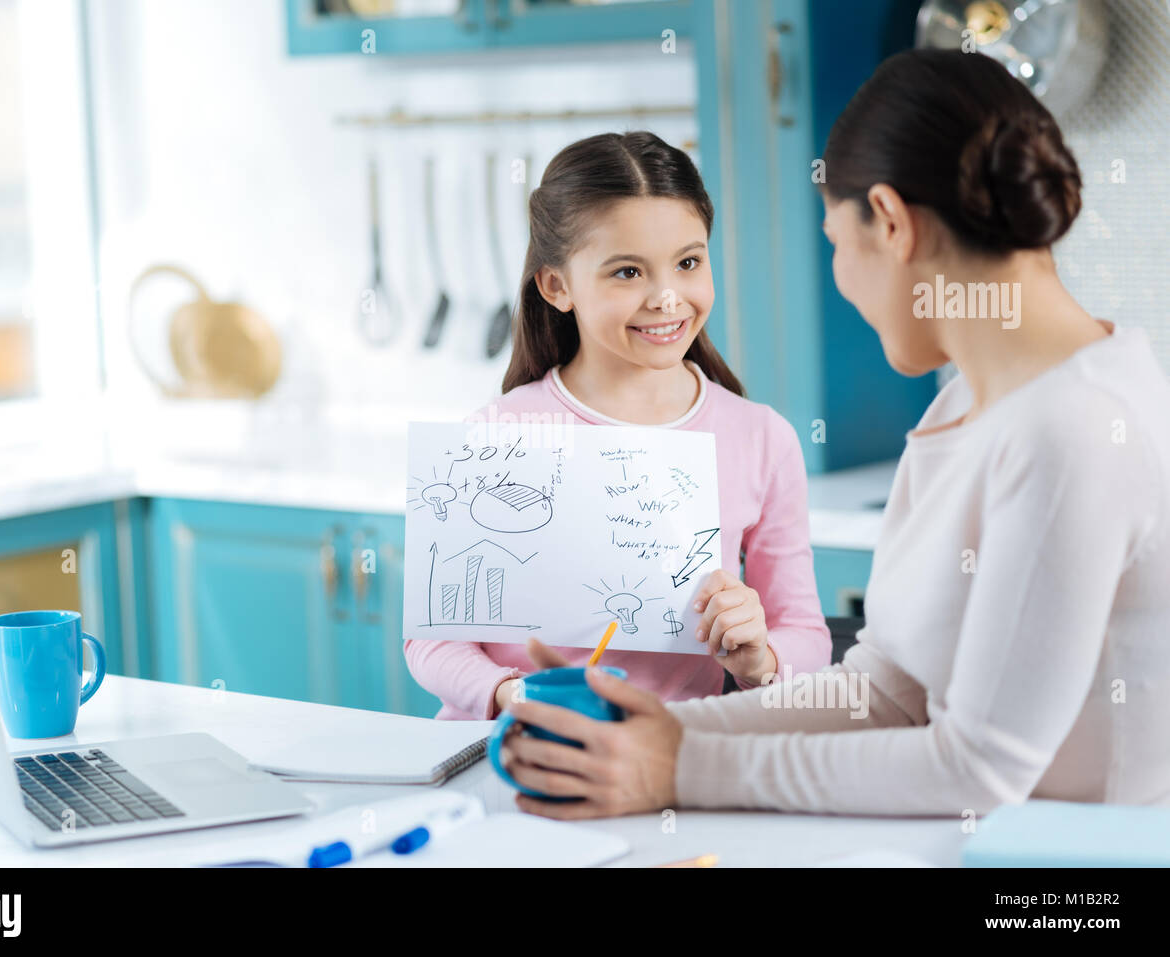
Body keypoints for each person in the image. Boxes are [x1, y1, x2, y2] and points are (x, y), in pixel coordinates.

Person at [499, 50, 1170, 819]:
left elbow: (976, 768)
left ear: (889, 221)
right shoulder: (964, 409)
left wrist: (676, 768)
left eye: (835, 243)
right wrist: (654, 728)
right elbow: (885, 690)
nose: (842, 280)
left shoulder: (1076, 427)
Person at [404, 131, 831, 720]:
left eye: (688, 262)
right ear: (557, 287)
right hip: (511, 748)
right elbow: (433, 641)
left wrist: (761, 658)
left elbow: (805, 631)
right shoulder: (494, 436)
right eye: (627, 272)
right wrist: (513, 695)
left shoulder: (762, 439)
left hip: (669, 761)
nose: (666, 297)